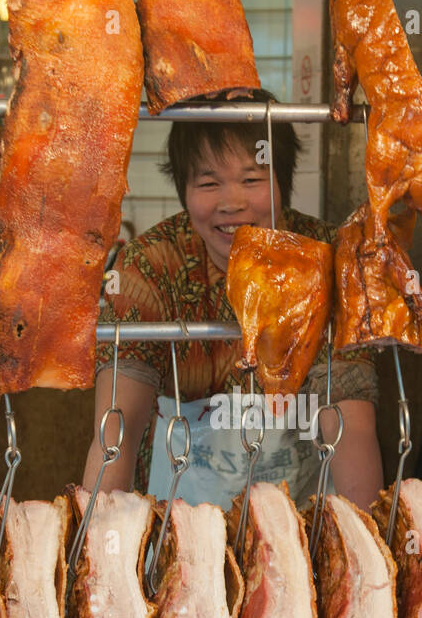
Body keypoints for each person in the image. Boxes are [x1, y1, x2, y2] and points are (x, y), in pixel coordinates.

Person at [84, 89, 383, 511]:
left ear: (282, 181)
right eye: (209, 183)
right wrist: (100, 548)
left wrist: (364, 550)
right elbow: (116, 428)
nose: (232, 203)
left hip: (300, 530)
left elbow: (351, 426)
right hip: (177, 531)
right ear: (184, 190)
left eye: (251, 179)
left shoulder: (329, 259)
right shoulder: (149, 266)